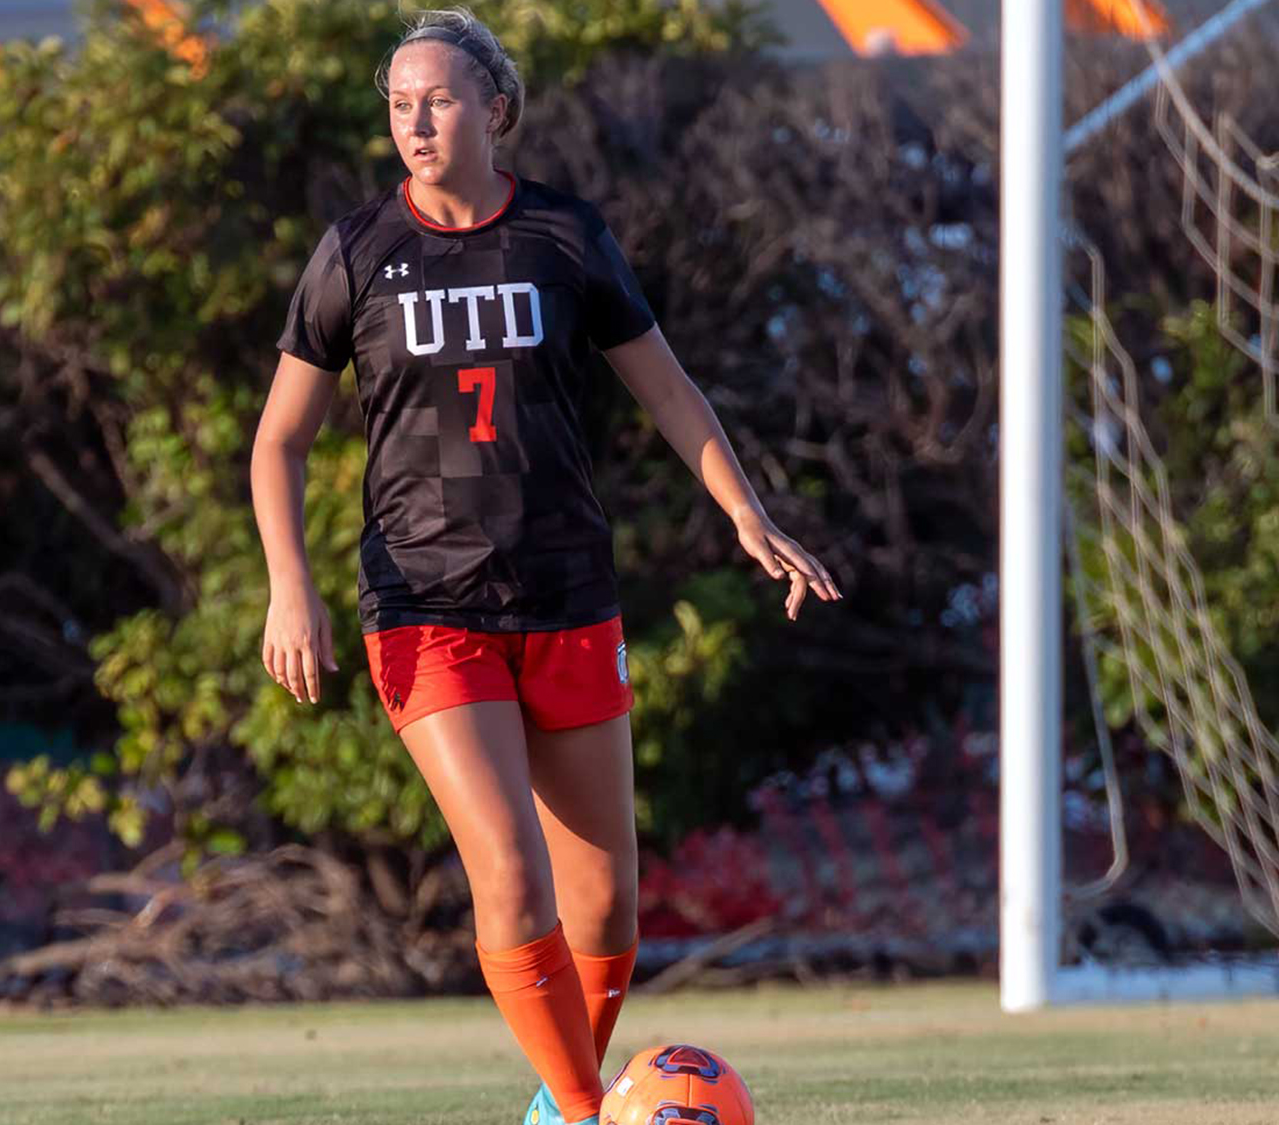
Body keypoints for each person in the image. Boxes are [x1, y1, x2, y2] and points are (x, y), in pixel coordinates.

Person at [250, 9, 839, 1123]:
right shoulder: (358, 250)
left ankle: (553, 1098)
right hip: (424, 604)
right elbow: (278, 439)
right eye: (397, 103)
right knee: (510, 878)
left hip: (566, 593)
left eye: (437, 99)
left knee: (607, 907)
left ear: (494, 110)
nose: (414, 121)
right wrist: (292, 584)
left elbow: (667, 390)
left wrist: (746, 516)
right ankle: (580, 1113)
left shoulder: (563, 238)